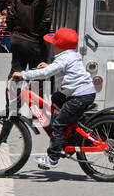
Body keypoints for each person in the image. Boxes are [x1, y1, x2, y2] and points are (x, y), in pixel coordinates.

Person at [11, 27, 97, 171]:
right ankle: (75, 130)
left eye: (53, 44)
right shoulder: (71, 55)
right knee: (57, 98)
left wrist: (24, 75)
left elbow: (46, 73)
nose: (51, 46)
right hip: (83, 93)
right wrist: (50, 66)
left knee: (58, 124)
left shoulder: (63, 58)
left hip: (79, 96)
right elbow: (58, 68)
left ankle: (52, 158)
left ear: (59, 46)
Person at [7, 0, 55, 74]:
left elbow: (10, 18)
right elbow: (45, 23)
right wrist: (47, 43)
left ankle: (13, 91)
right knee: (38, 76)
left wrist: (14, 35)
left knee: (16, 72)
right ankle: (31, 91)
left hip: (18, 40)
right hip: (36, 42)